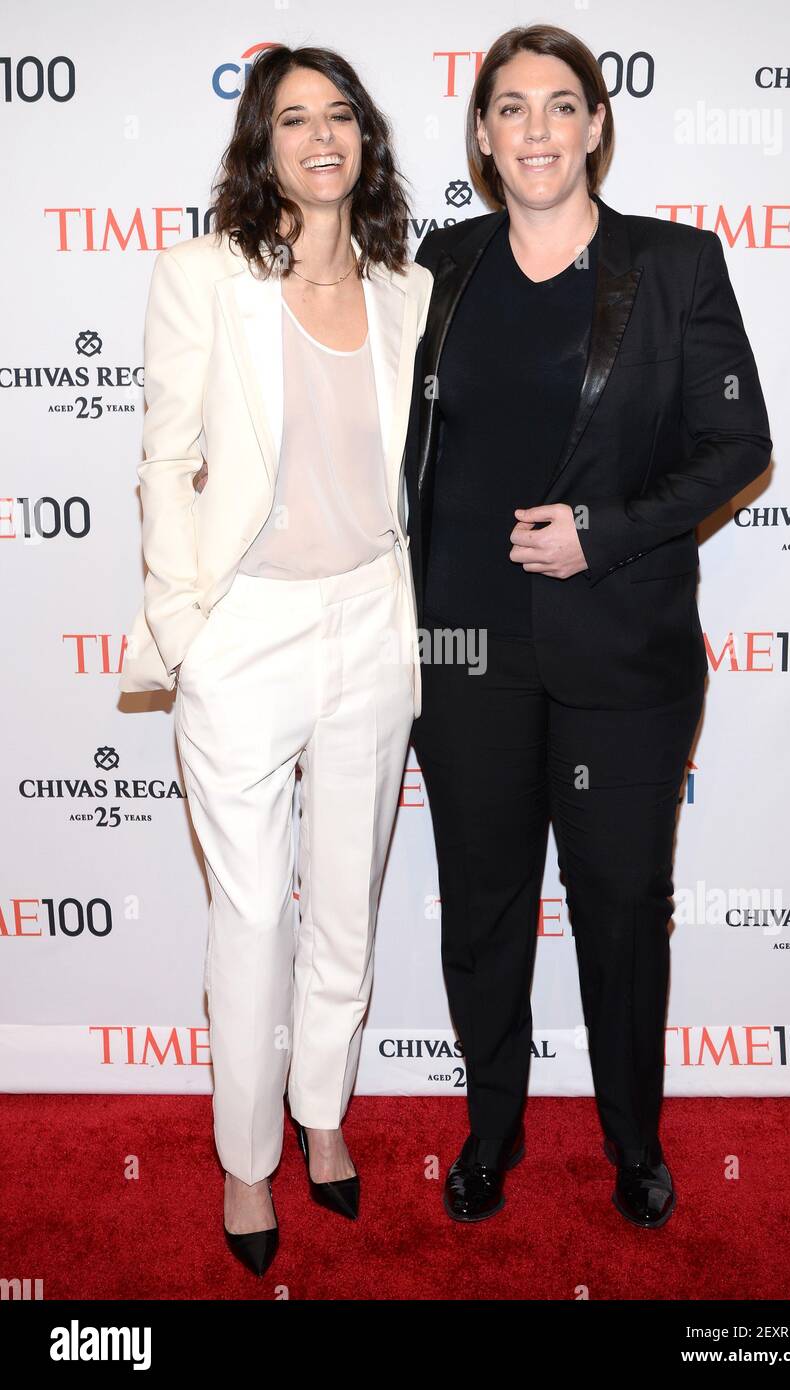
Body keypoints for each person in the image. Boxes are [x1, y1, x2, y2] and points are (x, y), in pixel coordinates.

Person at [405, 24, 772, 1227]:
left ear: (597, 125)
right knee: (485, 904)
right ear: (480, 134)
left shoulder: (672, 265)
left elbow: (738, 446)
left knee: (619, 909)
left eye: (561, 106)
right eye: (510, 108)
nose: (537, 131)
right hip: (464, 649)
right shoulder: (439, 268)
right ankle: (489, 1131)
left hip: (620, 650)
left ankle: (632, 1143)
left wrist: (598, 530)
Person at [119, 44, 432, 1274]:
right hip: (243, 628)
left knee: (345, 898)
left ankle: (322, 1115)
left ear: (364, 139)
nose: (320, 137)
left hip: (370, 617)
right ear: (261, 141)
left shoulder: (404, 288)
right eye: (293, 118)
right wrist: (186, 626)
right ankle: (248, 1159)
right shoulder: (204, 274)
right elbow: (161, 460)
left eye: (339, 116)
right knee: (251, 913)